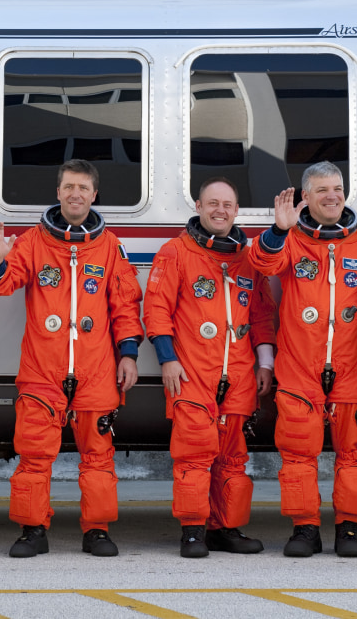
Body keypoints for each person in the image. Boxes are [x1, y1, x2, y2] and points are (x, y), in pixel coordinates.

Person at [0, 159, 144, 558]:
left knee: (98, 457)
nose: (75, 194)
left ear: (94, 194)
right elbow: (1, 287)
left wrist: (128, 355)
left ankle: (98, 530)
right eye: (68, 186)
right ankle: (32, 530)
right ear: (57, 192)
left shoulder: (109, 246)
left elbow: (124, 305)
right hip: (42, 369)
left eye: (83, 188)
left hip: (96, 369)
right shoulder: (33, 242)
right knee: (35, 455)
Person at [247, 161, 357, 558]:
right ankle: (305, 527)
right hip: (299, 368)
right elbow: (263, 263)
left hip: (353, 367)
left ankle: (349, 528)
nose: (332, 196)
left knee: (354, 454)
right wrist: (279, 229)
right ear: (305, 197)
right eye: (322, 190)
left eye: (337, 188)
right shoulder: (290, 239)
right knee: (297, 454)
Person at [143, 177, 276, 558]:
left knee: (233, 459)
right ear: (198, 206)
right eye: (213, 203)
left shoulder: (250, 259)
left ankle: (226, 528)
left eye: (228, 204)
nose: (220, 210)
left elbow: (263, 315)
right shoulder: (176, 253)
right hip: (191, 373)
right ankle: (192, 530)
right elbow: (157, 311)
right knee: (193, 456)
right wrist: (167, 359)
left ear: (237, 211)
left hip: (238, 374)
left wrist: (265, 363)